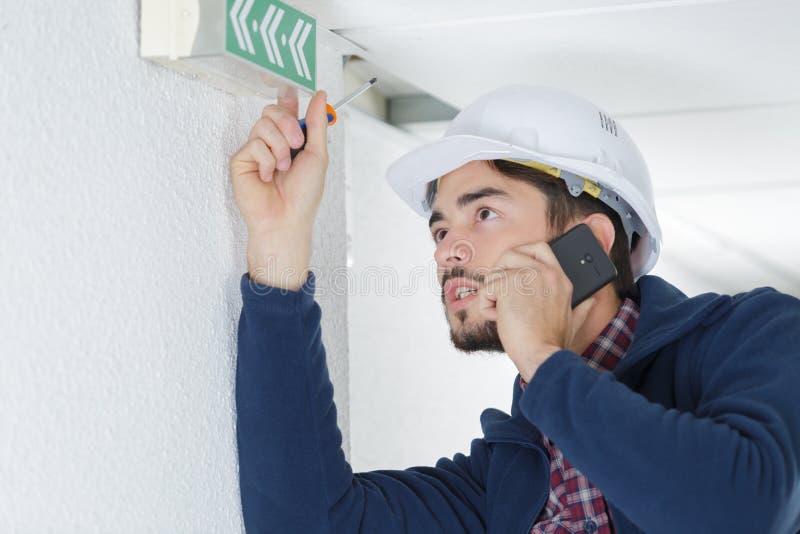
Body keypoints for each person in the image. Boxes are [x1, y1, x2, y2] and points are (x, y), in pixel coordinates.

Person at [229, 85, 800, 533]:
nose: (448, 247)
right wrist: (278, 251)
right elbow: (307, 522)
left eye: (484, 214)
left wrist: (545, 360)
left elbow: (740, 512)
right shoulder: (508, 483)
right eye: (441, 228)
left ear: (590, 246)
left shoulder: (755, 335)